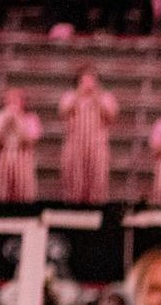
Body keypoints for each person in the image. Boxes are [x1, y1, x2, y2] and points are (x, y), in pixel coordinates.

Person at [59, 67, 118, 204]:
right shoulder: (70, 96)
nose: (88, 83)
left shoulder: (106, 97)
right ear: (79, 81)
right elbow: (62, 112)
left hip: (98, 147)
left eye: (91, 80)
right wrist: (78, 95)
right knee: (73, 184)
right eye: (85, 80)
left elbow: (112, 116)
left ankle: (97, 211)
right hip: (74, 146)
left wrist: (97, 98)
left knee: (98, 184)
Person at [0, 88, 43, 203]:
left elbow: (31, 141)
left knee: (24, 201)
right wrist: (4, 126)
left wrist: (17, 123)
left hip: (23, 167)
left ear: (23, 102)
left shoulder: (31, 119)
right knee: (0, 200)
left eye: (15, 100)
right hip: (2, 166)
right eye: (9, 100)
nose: (12, 103)